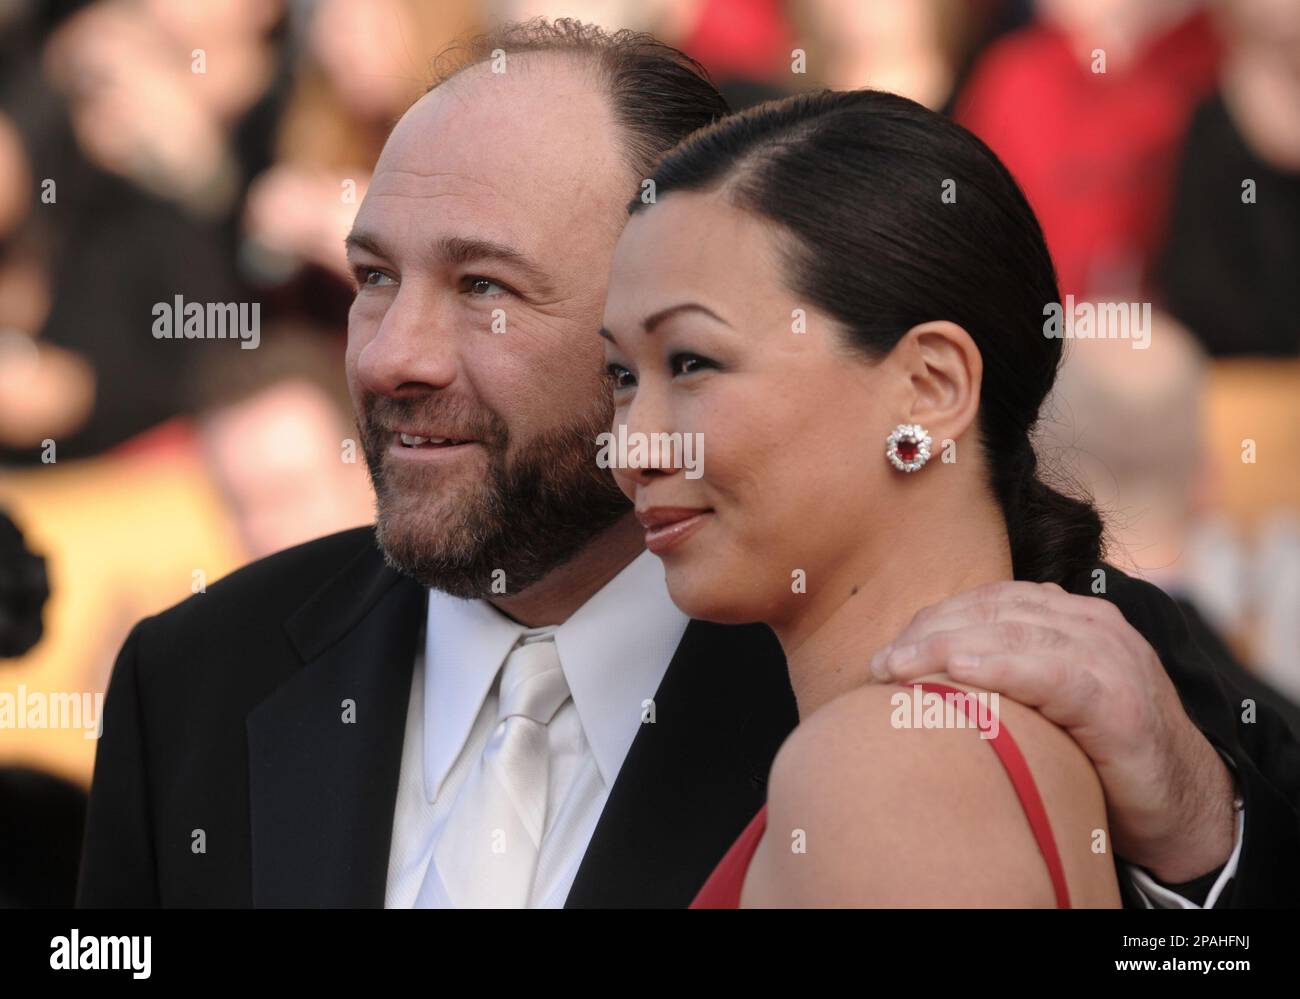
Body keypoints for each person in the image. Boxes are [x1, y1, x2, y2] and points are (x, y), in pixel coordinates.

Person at [76, 19, 1298, 908]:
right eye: (375, 278)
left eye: (486, 288)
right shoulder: (196, 676)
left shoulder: (1023, 653)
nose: (394, 354)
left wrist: (1198, 832)